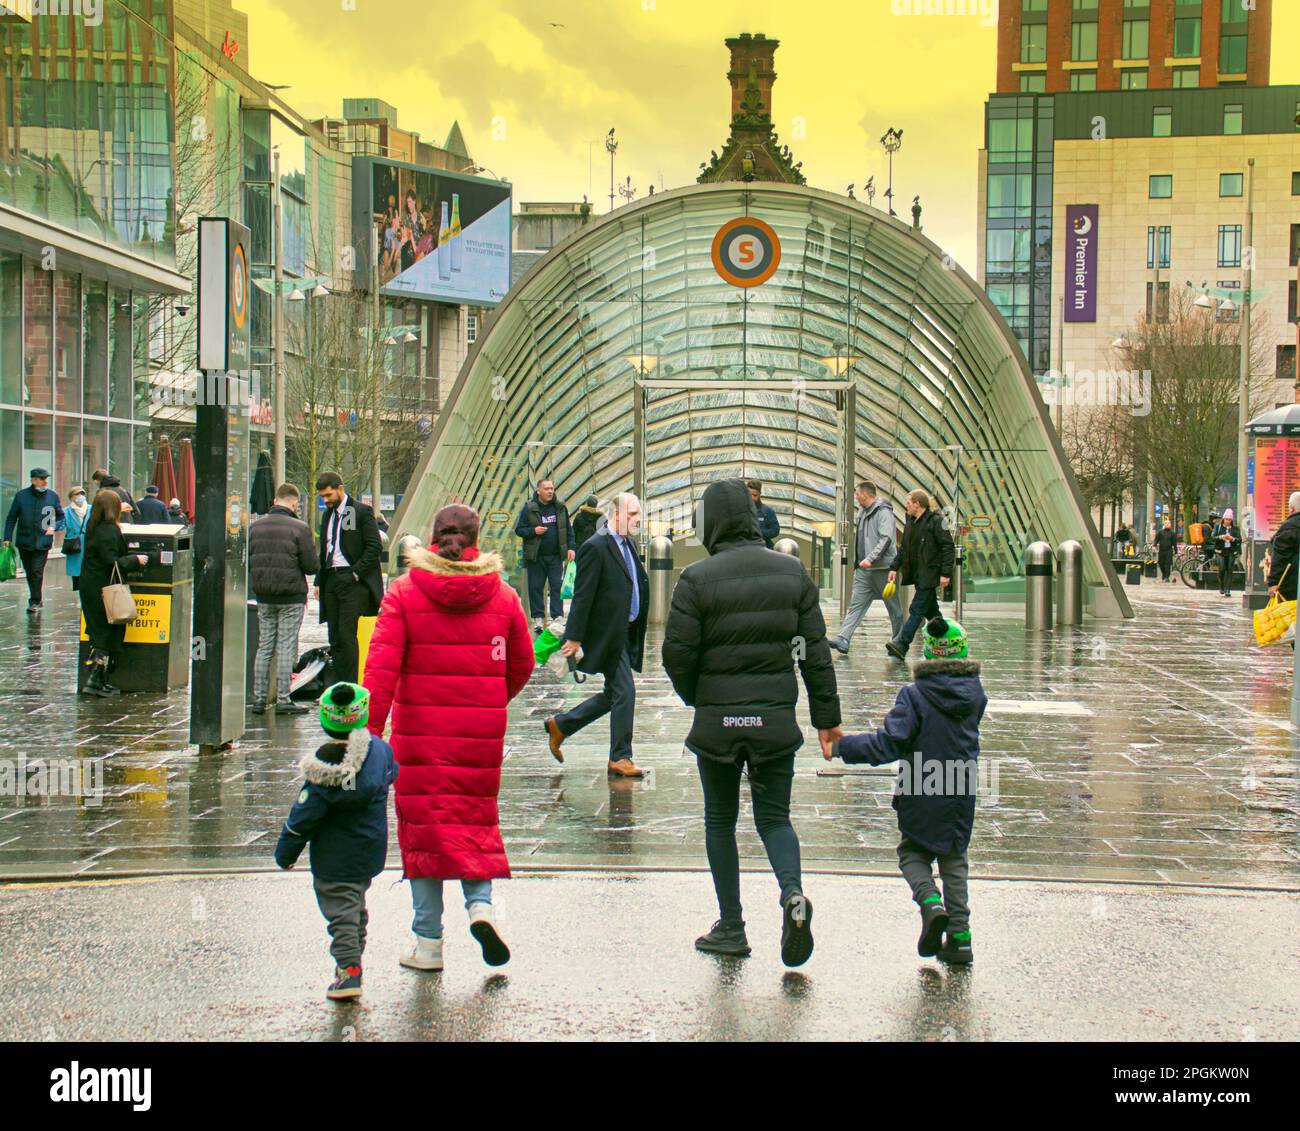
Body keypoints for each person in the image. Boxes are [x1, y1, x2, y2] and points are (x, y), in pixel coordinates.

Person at [662, 478, 842, 966]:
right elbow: (815, 655)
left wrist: (700, 698)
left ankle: (732, 927)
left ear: (710, 522)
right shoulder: (792, 574)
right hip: (775, 720)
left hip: (718, 722)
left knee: (720, 821)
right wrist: (827, 719)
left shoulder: (696, 579)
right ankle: (791, 895)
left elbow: (676, 654)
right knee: (775, 819)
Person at [364, 504, 535, 972]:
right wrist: (491, 698)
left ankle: (428, 945)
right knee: (475, 822)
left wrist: (369, 734)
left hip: (420, 734)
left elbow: (380, 670)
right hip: (479, 731)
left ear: (434, 538)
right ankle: (481, 907)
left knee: (424, 834)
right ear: (476, 538)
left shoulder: (403, 592)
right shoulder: (502, 596)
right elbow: (522, 663)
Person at [826, 616, 985, 965]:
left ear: (927, 652)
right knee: (955, 859)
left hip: (921, 788)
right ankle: (960, 938)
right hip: (960, 787)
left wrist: (843, 747)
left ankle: (930, 903)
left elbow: (888, 744)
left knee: (912, 853)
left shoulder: (915, 696)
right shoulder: (976, 694)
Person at [274, 682, 398, 1001]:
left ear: (326, 721)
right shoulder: (379, 752)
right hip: (370, 851)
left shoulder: (323, 771)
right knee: (353, 905)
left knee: (341, 910)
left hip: (334, 859)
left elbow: (303, 819)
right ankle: (354, 955)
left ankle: (349, 970)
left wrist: (285, 853)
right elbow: (392, 771)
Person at [544, 493, 650, 778]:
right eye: (631, 514)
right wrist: (575, 636)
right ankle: (620, 757)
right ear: (615, 514)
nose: (637, 519)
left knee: (613, 694)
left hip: (625, 633)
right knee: (626, 692)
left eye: (639, 513)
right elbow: (583, 595)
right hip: (608, 634)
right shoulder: (596, 546)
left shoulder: (628, 543)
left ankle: (562, 725)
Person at [249, 483, 317, 716]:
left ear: (275, 500)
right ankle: (283, 699)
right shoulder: (300, 528)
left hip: (264, 594)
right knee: (286, 646)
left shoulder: (254, 527)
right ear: (294, 502)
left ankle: (258, 699)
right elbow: (310, 566)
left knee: (265, 645)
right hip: (291, 596)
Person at [314, 473, 384, 684]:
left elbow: (374, 546)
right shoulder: (328, 515)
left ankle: (350, 685)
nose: (325, 500)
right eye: (322, 496)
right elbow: (325, 550)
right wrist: (319, 580)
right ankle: (338, 684)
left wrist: (356, 572)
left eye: (328, 495)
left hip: (351, 580)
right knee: (334, 636)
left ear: (340, 488)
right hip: (331, 579)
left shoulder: (358, 512)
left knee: (346, 634)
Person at [79, 489, 149, 697]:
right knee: (105, 632)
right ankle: (94, 680)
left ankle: (99, 679)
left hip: (92, 586)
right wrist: (135, 560)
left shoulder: (95, 527)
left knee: (101, 630)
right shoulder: (108, 531)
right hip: (103, 589)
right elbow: (112, 561)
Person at [831, 480, 903, 653]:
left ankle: (899, 641)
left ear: (865, 494)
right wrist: (860, 563)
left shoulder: (884, 512)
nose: (855, 496)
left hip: (882, 569)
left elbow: (886, 539)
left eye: (857, 493)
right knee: (856, 604)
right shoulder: (862, 511)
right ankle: (843, 638)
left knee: (894, 608)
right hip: (864, 570)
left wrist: (870, 559)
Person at [886, 488, 955, 661]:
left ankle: (902, 644)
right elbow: (904, 549)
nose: (906, 506)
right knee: (932, 613)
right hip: (917, 574)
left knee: (916, 609)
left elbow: (948, 547)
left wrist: (946, 573)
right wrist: (894, 567)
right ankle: (948, 639)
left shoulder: (937, 521)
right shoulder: (910, 522)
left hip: (930, 574)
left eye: (908, 503)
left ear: (917, 504)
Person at [514, 479, 573, 632]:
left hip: (555, 556)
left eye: (552, 488)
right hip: (536, 556)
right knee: (535, 588)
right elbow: (519, 530)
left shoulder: (560, 508)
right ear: (538, 491)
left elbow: (568, 529)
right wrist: (533, 531)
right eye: (546, 488)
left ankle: (557, 617)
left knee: (556, 586)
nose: (550, 491)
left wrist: (571, 548)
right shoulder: (529, 508)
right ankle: (538, 618)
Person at [3, 466, 64, 612]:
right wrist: (7, 538)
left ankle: (34, 601)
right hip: (25, 541)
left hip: (43, 542)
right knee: (30, 571)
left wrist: (53, 526)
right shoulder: (21, 496)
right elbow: (11, 518)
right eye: (42, 479)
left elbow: (61, 516)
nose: (45, 482)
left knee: (37, 571)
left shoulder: (52, 496)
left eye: (46, 479)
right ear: (34, 480)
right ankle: (36, 597)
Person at [1267, 492, 1300, 601]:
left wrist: (1274, 582)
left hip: (1291, 584)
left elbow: (1281, 556)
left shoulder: (1289, 527)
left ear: (1291, 508)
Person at [62, 486, 90, 592]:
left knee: (88, 571)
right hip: (74, 544)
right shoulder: (66, 512)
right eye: (77, 494)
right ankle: (79, 594)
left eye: (82, 494)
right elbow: (60, 525)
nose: (80, 496)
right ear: (71, 498)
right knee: (77, 572)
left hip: (88, 543)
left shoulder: (91, 509)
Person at [1211, 508, 1240, 597]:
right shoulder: (1218, 527)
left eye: (1230, 520)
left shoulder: (1235, 529)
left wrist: (1233, 539)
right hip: (1220, 551)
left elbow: (1239, 539)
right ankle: (1222, 586)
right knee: (1222, 569)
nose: (1228, 521)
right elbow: (1212, 537)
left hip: (1231, 551)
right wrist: (1221, 537)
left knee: (1230, 570)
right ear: (1223, 519)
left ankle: (1228, 589)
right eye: (1226, 519)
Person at [747, 479, 780, 549]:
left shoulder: (768, 511)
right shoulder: (740, 511)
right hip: (746, 549)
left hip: (763, 548)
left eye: (755, 495)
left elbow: (775, 530)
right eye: (750, 495)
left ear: (760, 494)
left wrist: (759, 533)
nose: (752, 498)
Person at [1154, 517, 1178, 583]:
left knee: (1168, 564)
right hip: (1161, 550)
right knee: (1161, 563)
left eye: (1168, 524)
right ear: (1164, 525)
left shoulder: (1172, 533)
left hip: (1169, 550)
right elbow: (1156, 539)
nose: (1167, 525)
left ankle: (1167, 577)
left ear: (1170, 525)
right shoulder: (1160, 532)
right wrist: (1155, 544)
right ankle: (1164, 575)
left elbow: (1174, 543)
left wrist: (1176, 551)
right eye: (1166, 524)